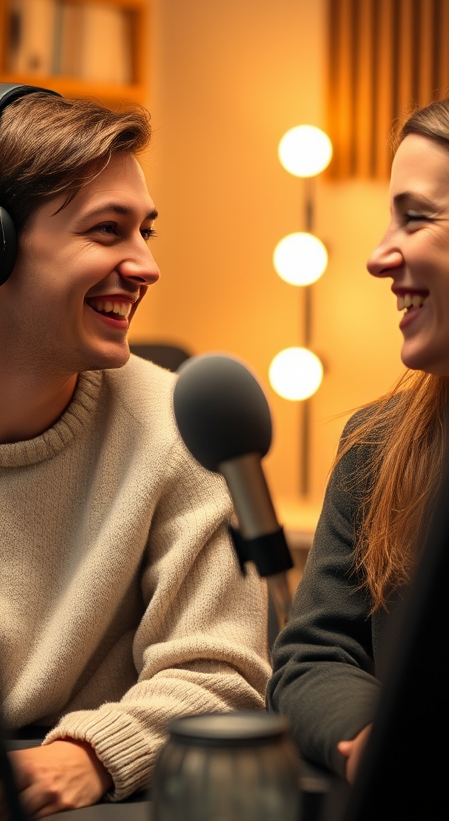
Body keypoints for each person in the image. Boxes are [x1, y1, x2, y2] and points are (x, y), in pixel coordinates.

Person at [0, 86, 270, 818]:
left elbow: (221, 673)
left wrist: (89, 755)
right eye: (107, 231)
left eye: (145, 231)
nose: (146, 265)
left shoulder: (182, 426)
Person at [268, 73, 449, 782]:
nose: (379, 257)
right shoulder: (379, 446)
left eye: (416, 218)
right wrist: (377, 738)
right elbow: (314, 656)